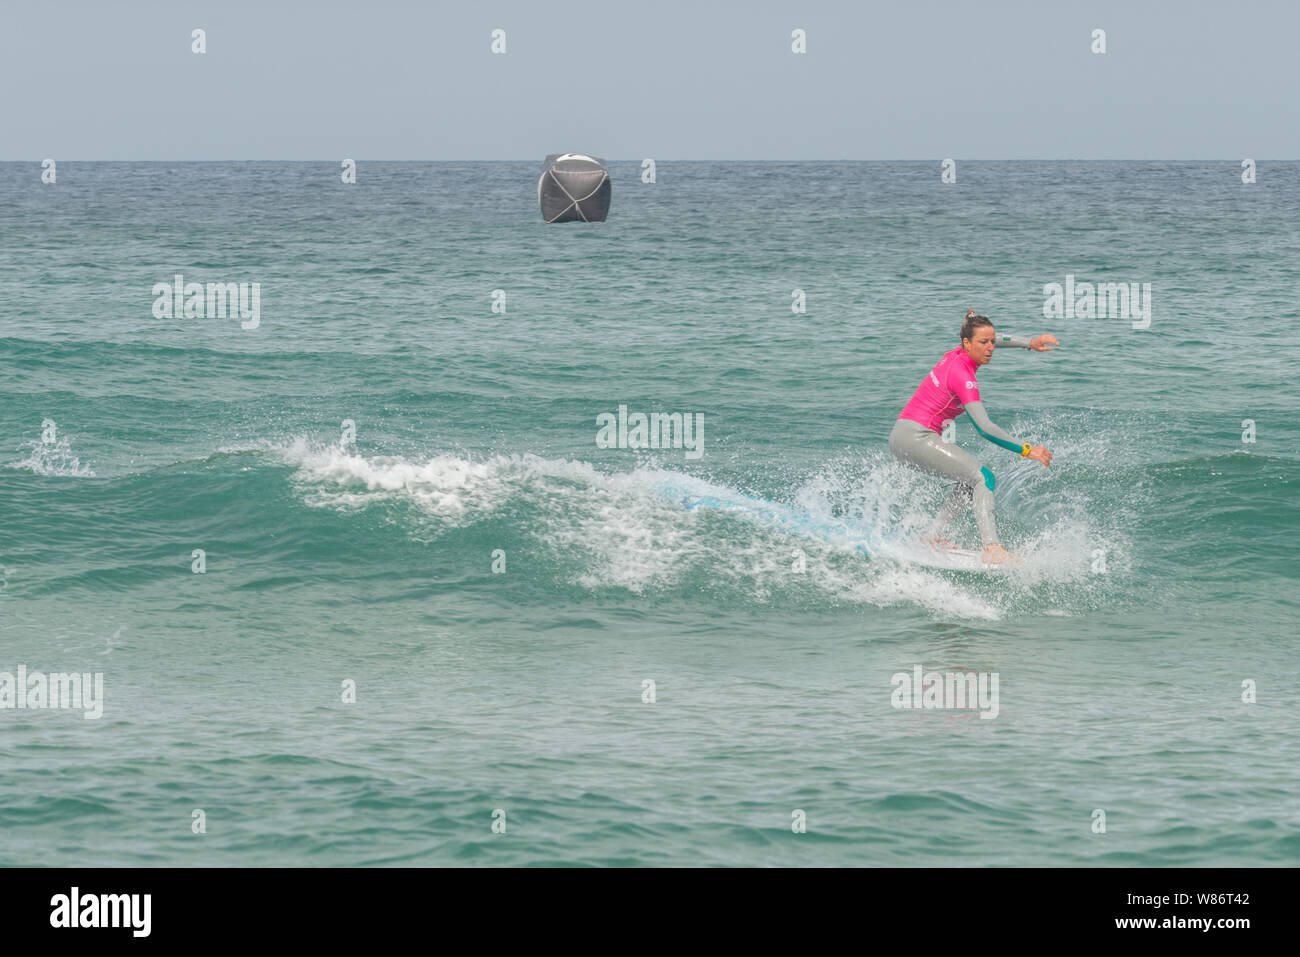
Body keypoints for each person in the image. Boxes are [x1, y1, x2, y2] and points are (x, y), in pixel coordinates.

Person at [889, 309, 1056, 564]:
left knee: (968, 481)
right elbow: (984, 426)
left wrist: (1029, 343)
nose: (990, 347)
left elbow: (991, 337)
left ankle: (932, 536)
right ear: (967, 343)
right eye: (983, 343)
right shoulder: (962, 374)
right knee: (983, 477)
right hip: (916, 437)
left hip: (903, 435)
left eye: (992, 342)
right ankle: (992, 548)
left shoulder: (956, 353)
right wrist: (1026, 449)